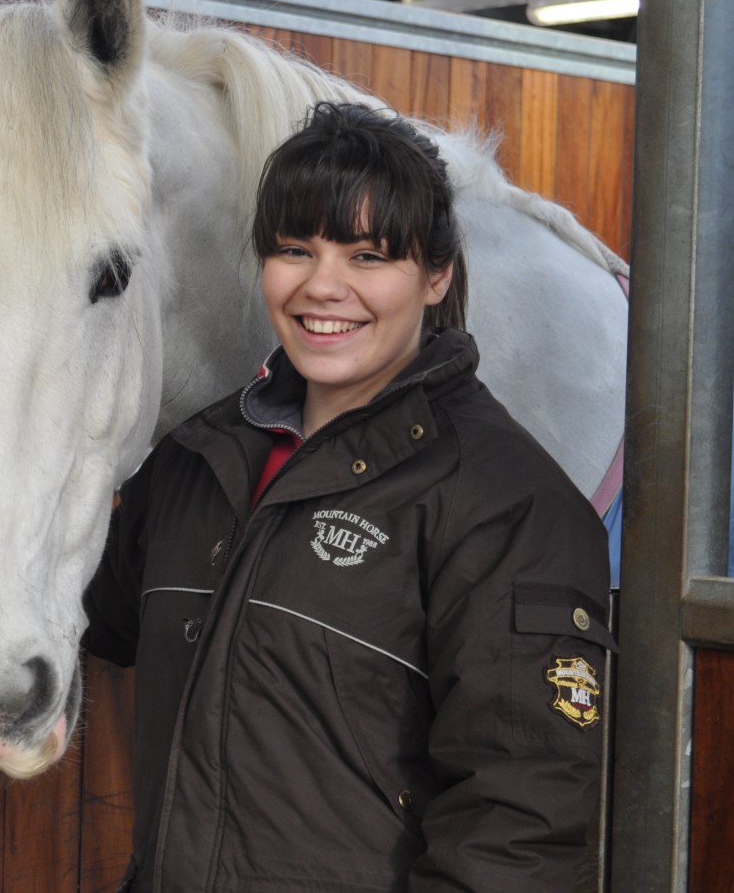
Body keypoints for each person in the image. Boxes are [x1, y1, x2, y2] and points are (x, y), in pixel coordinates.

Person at [83, 101, 615, 892]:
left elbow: (518, 835)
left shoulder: (510, 507)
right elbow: (97, 616)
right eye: (295, 249)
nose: (322, 287)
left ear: (436, 276)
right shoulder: (195, 462)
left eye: (368, 257)